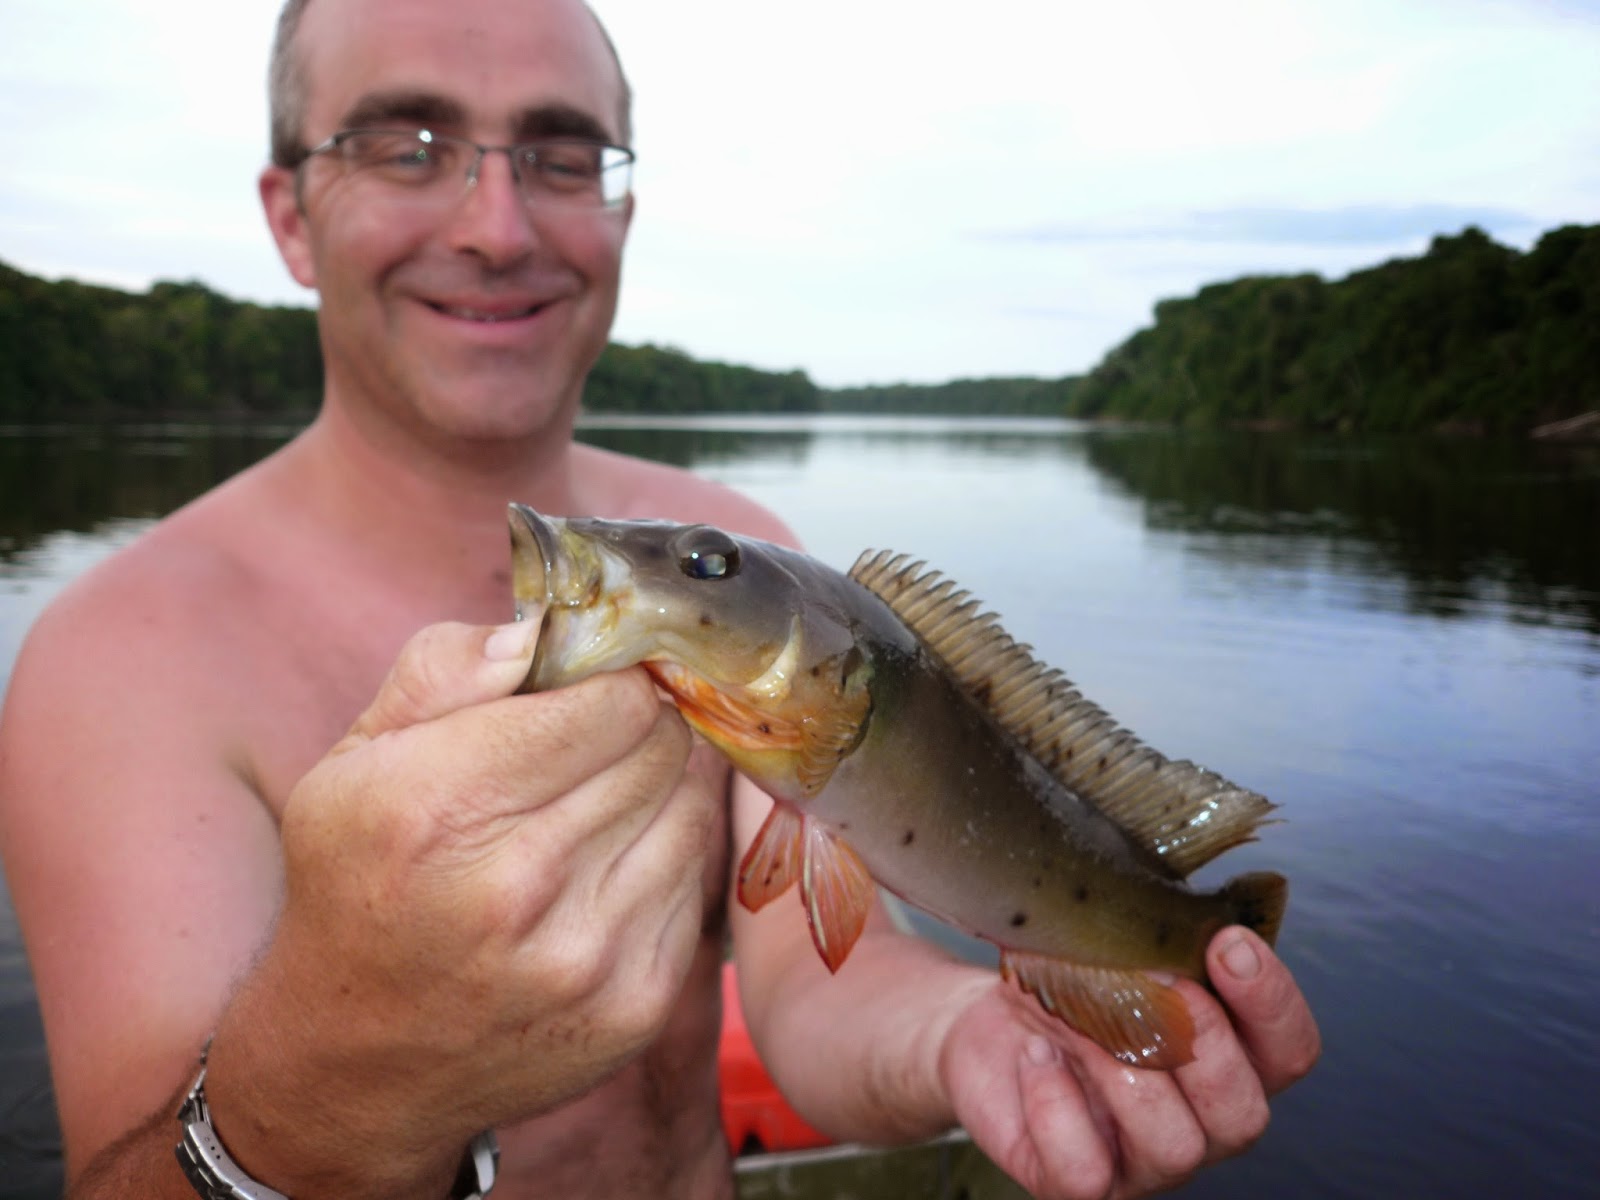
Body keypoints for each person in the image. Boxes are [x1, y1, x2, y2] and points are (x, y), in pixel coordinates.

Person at [0, 0, 1320, 1196]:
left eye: (564, 154)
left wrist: (973, 1036)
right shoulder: (114, 662)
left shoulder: (749, 553)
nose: (496, 224)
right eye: (408, 143)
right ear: (291, 214)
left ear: (621, 209)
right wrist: (324, 1082)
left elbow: (811, 994)